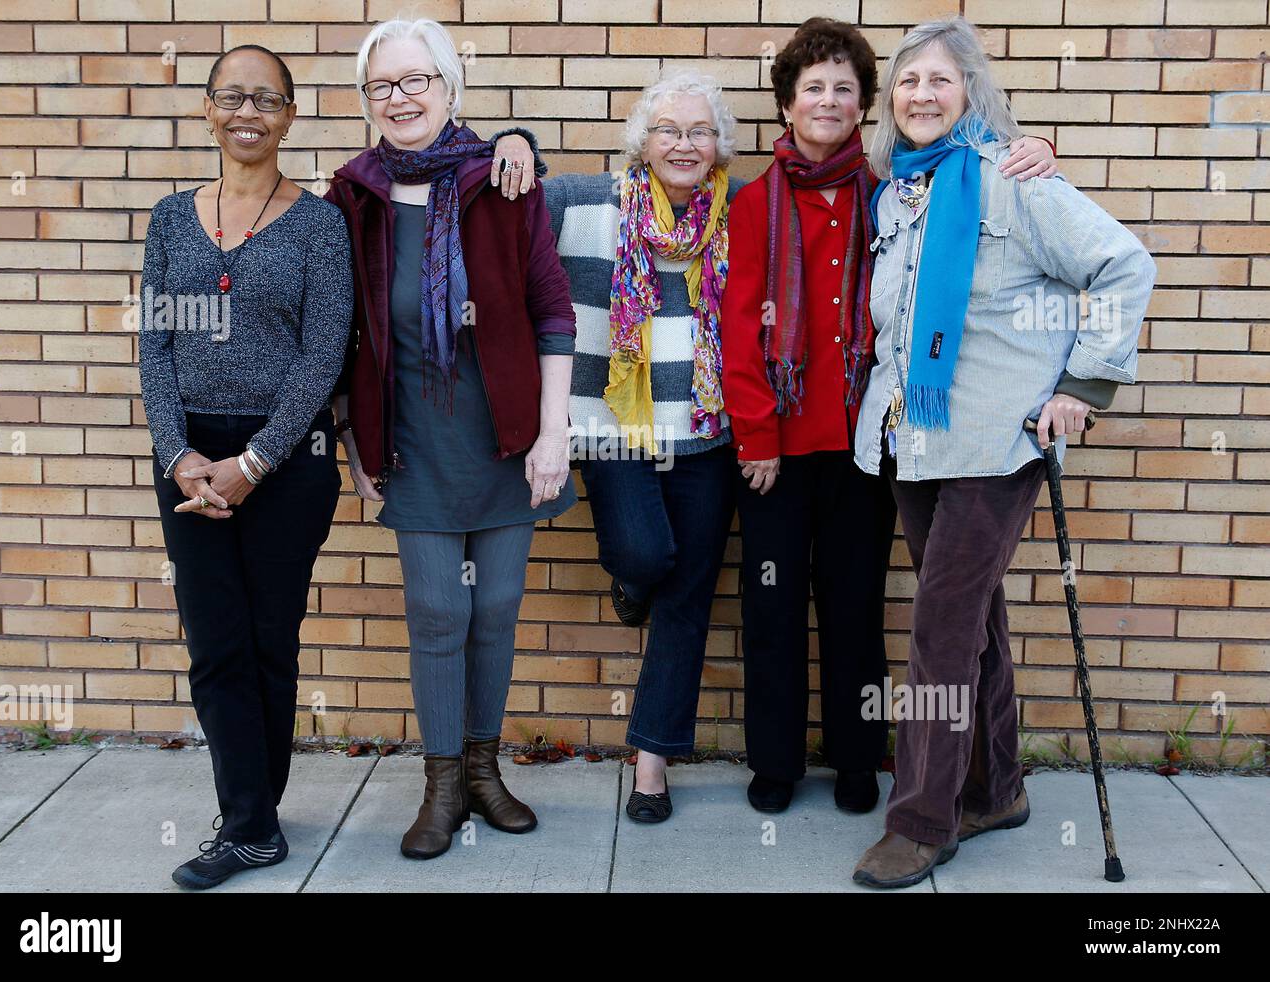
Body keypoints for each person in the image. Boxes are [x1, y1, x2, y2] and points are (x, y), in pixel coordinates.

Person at [721, 17, 1057, 816]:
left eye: (845, 88)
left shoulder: (895, 189)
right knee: (770, 603)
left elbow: (988, 186)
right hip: (779, 442)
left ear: (864, 103)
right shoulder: (753, 204)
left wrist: (1037, 149)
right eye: (814, 89)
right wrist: (757, 435)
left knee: (855, 603)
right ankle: (774, 762)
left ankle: (855, 756)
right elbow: (735, 327)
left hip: (868, 440)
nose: (829, 102)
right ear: (788, 104)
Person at [849, 16, 1154, 888]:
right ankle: (996, 787)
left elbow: (1123, 265)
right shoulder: (896, 190)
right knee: (972, 621)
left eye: (940, 80)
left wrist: (1081, 388)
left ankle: (921, 821)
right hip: (913, 439)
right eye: (908, 82)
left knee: (941, 626)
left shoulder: (1013, 180)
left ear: (970, 93)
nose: (922, 95)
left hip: (995, 440)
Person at [324, 18, 576, 861]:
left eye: (415, 80)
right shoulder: (352, 196)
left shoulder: (504, 181)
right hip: (410, 440)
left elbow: (551, 312)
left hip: (505, 435)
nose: (399, 99)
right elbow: (338, 332)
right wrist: (349, 444)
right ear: (367, 101)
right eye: (381, 86)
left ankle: (483, 770)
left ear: (449, 86)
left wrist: (553, 434)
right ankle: (439, 786)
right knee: (440, 609)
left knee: (496, 609)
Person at [494, 71, 742, 822]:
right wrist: (517, 141)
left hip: (706, 433)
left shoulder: (737, 216)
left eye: (700, 132)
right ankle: (630, 584)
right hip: (613, 433)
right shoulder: (587, 202)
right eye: (668, 130)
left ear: (718, 146)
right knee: (644, 556)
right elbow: (506, 193)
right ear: (642, 140)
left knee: (689, 601)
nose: (684, 145)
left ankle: (652, 763)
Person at [140, 44, 352, 889]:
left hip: (287, 460)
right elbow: (154, 343)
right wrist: (178, 454)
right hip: (191, 457)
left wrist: (254, 462)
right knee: (215, 643)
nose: (247, 113)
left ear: (290, 115)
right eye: (231, 96)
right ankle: (251, 820)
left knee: (269, 641)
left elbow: (324, 351)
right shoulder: (169, 218)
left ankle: (251, 819)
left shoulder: (319, 223)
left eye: (265, 99)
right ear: (206, 110)